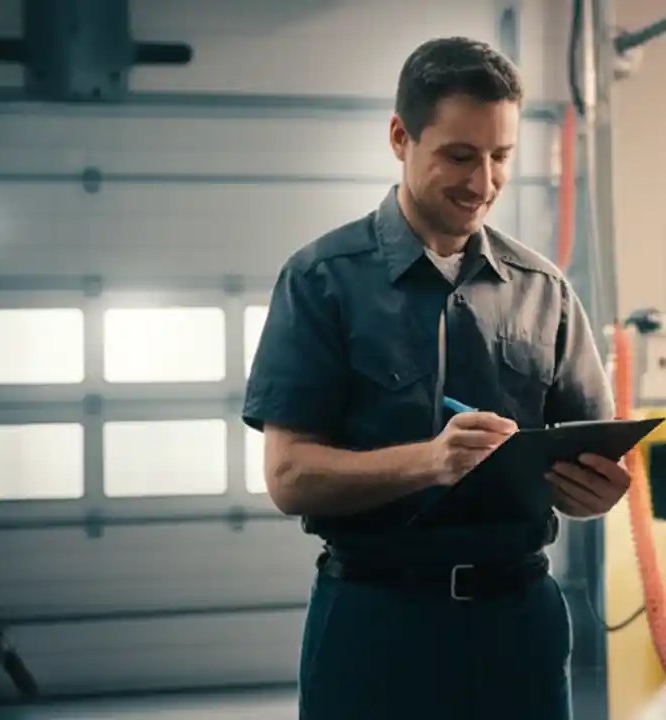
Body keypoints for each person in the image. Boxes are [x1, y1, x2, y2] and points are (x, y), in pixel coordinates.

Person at [242, 37, 630, 719]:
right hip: (376, 627)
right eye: (459, 155)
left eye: (500, 156)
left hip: (520, 630)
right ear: (400, 137)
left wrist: (596, 492)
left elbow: (592, 457)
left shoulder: (544, 290)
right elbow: (289, 476)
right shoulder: (321, 281)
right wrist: (430, 462)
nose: (483, 183)